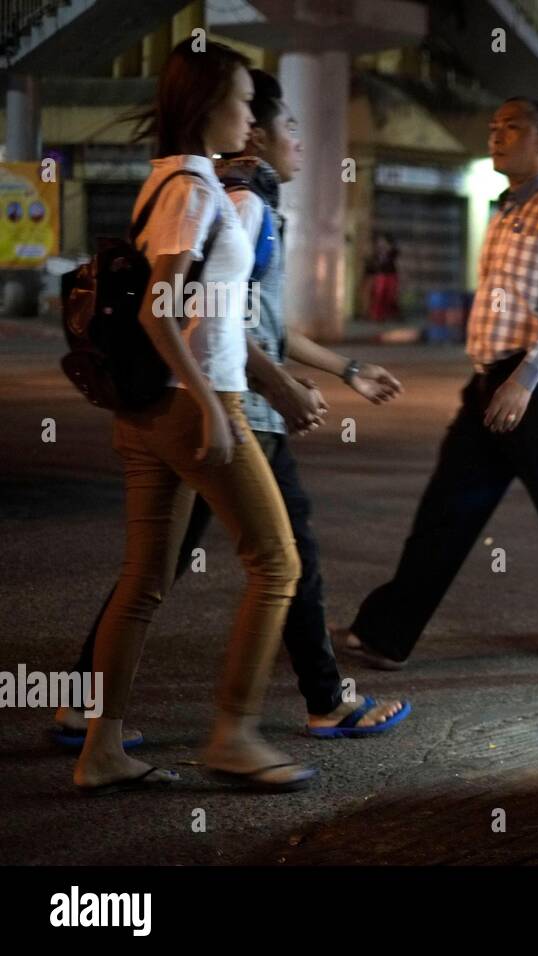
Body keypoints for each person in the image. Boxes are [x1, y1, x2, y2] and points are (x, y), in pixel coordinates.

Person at [54, 70, 410, 750]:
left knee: (164, 571)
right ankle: (263, 725)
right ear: (243, 126)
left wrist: (348, 369)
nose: (295, 137)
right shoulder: (224, 199)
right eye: (284, 123)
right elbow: (196, 314)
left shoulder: (228, 195)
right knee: (281, 561)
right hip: (224, 407)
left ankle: (91, 719)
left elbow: (258, 318)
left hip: (210, 406)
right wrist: (262, 393)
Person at [73, 41, 312, 794]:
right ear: (209, 105)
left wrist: (259, 384)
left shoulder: (174, 183)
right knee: (277, 565)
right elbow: (159, 309)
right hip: (192, 404)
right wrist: (212, 403)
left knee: (144, 580)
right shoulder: (194, 189)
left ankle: (102, 750)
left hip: (156, 408)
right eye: (242, 100)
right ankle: (234, 734)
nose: (251, 115)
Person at [341, 97, 538, 680]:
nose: (498, 137)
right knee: (446, 509)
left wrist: (523, 380)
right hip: (490, 382)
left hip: (534, 383)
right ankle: (387, 633)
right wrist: (494, 380)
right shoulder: (503, 210)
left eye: (513, 128)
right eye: (493, 129)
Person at [364, 234, 400, 322]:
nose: (381, 244)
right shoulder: (376, 254)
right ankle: (376, 315)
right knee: (378, 295)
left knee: (389, 295)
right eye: (379, 242)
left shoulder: (391, 252)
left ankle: (387, 314)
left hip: (391, 275)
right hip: (381, 275)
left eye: (383, 242)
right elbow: (371, 265)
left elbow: (396, 254)